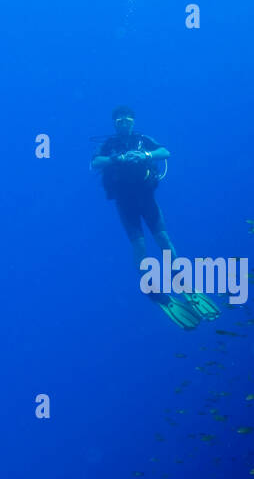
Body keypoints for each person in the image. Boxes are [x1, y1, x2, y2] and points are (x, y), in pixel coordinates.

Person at [90, 106, 220, 329]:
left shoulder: (143, 140)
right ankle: (156, 294)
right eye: (119, 121)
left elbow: (166, 152)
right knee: (140, 248)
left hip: (147, 200)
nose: (124, 124)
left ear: (133, 121)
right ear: (114, 123)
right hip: (126, 204)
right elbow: (95, 163)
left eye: (127, 120)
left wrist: (145, 154)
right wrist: (118, 158)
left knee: (164, 241)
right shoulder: (109, 145)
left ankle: (183, 284)